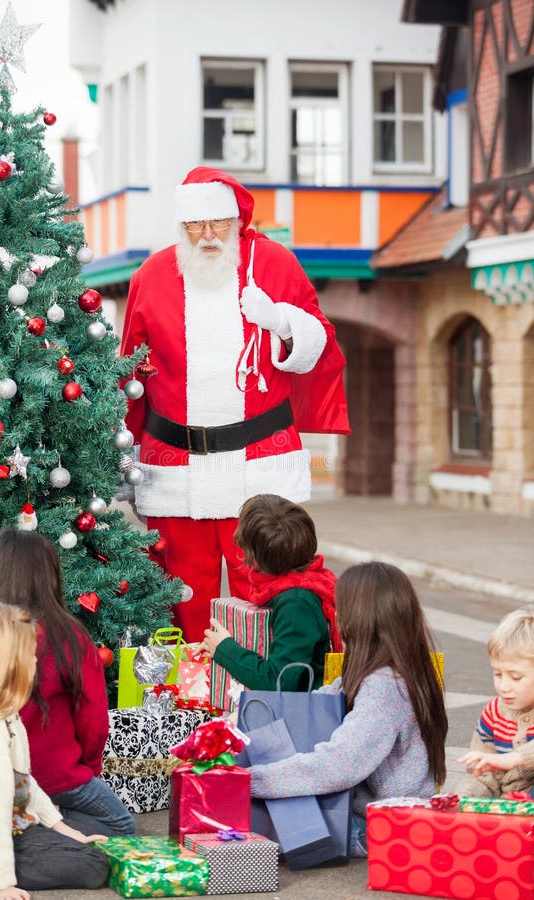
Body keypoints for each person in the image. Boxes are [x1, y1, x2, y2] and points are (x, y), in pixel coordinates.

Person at [120, 166, 349, 642]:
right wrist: (122, 454)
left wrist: (283, 321)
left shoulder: (274, 264)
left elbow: (321, 343)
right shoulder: (151, 275)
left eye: (218, 224)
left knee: (269, 591)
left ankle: (268, 691)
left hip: (259, 464)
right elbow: (131, 369)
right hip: (174, 465)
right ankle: (188, 700)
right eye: (194, 226)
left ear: (236, 220)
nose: (207, 236)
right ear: (181, 227)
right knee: (179, 598)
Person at [247, 561, 448, 857]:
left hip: (379, 827)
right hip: (386, 815)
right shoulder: (400, 668)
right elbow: (315, 704)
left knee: (251, 823)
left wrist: (248, 779)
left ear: (362, 619)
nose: (337, 616)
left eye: (342, 608)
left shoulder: (384, 687)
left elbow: (338, 766)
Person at [0, 600, 109, 900]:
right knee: (94, 865)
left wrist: (62, 829)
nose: (36, 663)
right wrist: (4, 883)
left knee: (80, 844)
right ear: (8, 668)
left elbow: (23, 782)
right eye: (30, 656)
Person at [0, 529, 135, 837]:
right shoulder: (68, 635)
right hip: (59, 775)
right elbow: (93, 721)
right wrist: (88, 769)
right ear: (49, 575)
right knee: (121, 826)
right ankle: (49, 827)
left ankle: (21, 830)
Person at [200, 494, 343, 691]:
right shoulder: (293, 584)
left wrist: (225, 649)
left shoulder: (296, 603)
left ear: (255, 555)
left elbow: (279, 681)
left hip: (301, 710)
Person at [456, 606, 534, 797]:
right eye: (498, 674)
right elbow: (483, 772)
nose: (504, 686)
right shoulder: (494, 712)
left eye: (515, 677)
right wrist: (466, 797)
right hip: (505, 801)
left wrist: (515, 758)